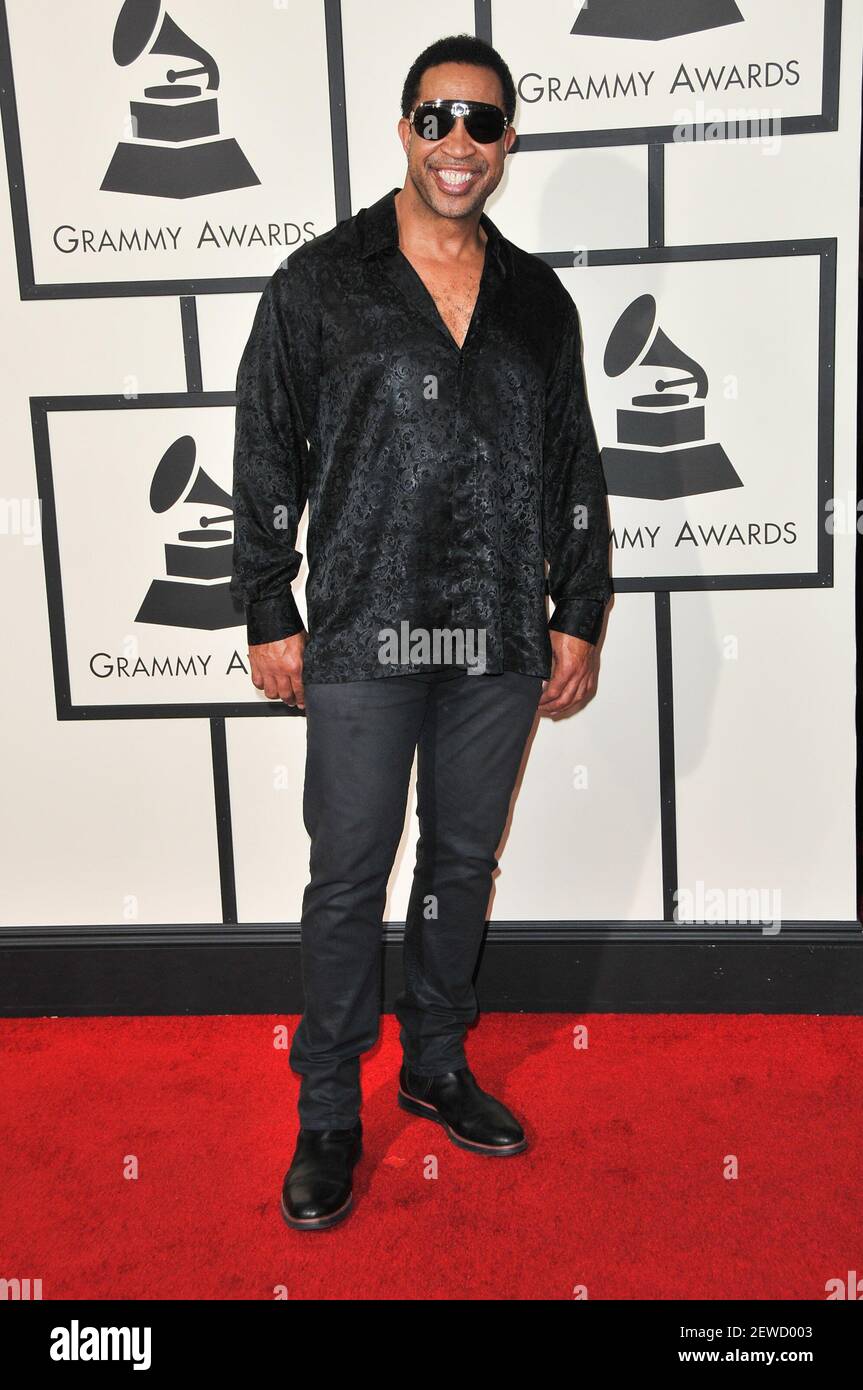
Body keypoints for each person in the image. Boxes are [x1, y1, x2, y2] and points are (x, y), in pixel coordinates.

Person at [230, 33, 612, 1231]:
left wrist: (579, 611)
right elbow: (262, 448)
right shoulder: (318, 281)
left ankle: (436, 1064)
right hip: (358, 628)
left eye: (483, 122)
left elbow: (573, 467)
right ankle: (330, 1109)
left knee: (457, 868)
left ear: (507, 143)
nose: (459, 142)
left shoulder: (537, 298)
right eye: (437, 118)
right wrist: (264, 602)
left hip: (495, 627)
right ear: (402, 128)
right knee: (346, 877)